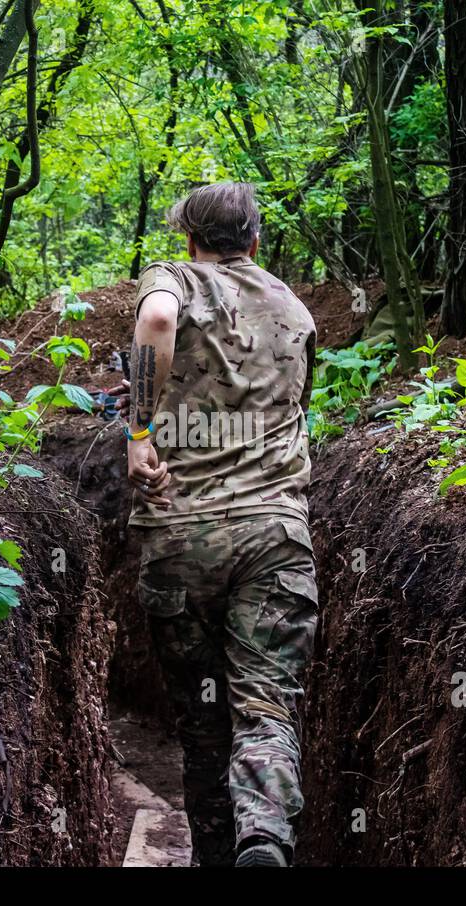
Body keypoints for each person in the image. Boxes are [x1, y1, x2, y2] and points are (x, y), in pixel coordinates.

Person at [121, 182, 318, 867]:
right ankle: (263, 837)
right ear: (256, 241)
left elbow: (155, 322)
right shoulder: (293, 307)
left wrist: (140, 429)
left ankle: (214, 856)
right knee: (265, 711)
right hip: (274, 538)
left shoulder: (175, 278)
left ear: (189, 240)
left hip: (179, 537)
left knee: (204, 729)